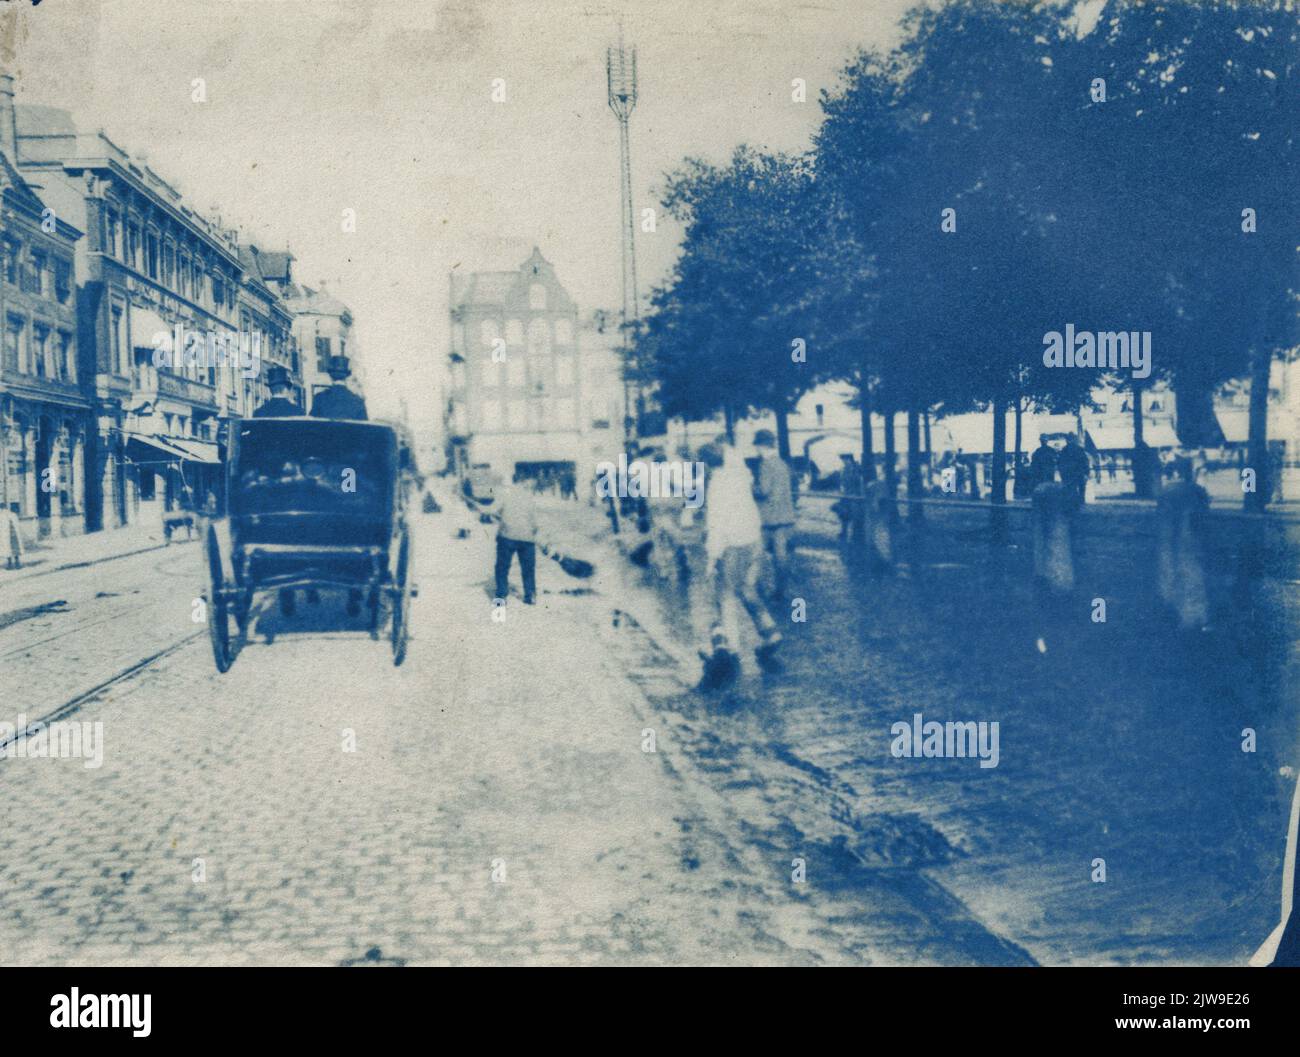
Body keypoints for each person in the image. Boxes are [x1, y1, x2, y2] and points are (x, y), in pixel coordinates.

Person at [698, 442, 783, 690]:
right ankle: (770, 632)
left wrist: (712, 558)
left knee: (724, 595)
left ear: (705, 463)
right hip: (753, 539)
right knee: (748, 589)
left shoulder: (716, 485)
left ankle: (733, 649)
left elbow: (716, 524)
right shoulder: (740, 476)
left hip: (732, 545)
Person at [751, 429, 795, 599]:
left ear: (762, 446)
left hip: (768, 517)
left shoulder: (765, 464)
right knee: (780, 555)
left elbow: (763, 490)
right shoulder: (781, 463)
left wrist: (749, 486)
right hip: (785, 516)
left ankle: (757, 587)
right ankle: (781, 590)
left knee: (758, 552)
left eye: (757, 446)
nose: (756, 450)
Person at [492, 471, 539, 605]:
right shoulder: (529, 496)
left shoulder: (505, 494)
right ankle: (530, 595)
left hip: (507, 536)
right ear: (524, 482)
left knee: (502, 567)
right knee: (528, 567)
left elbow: (493, 511)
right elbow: (534, 521)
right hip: (527, 538)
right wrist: (532, 531)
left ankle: (501, 596)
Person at [1056, 433, 1090, 507]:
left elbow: (1060, 463)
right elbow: (1085, 462)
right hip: (1078, 473)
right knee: (1081, 487)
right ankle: (1081, 502)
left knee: (1071, 489)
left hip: (1069, 473)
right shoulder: (1079, 449)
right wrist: (1087, 473)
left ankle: (1072, 503)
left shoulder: (1064, 450)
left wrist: (1062, 473)